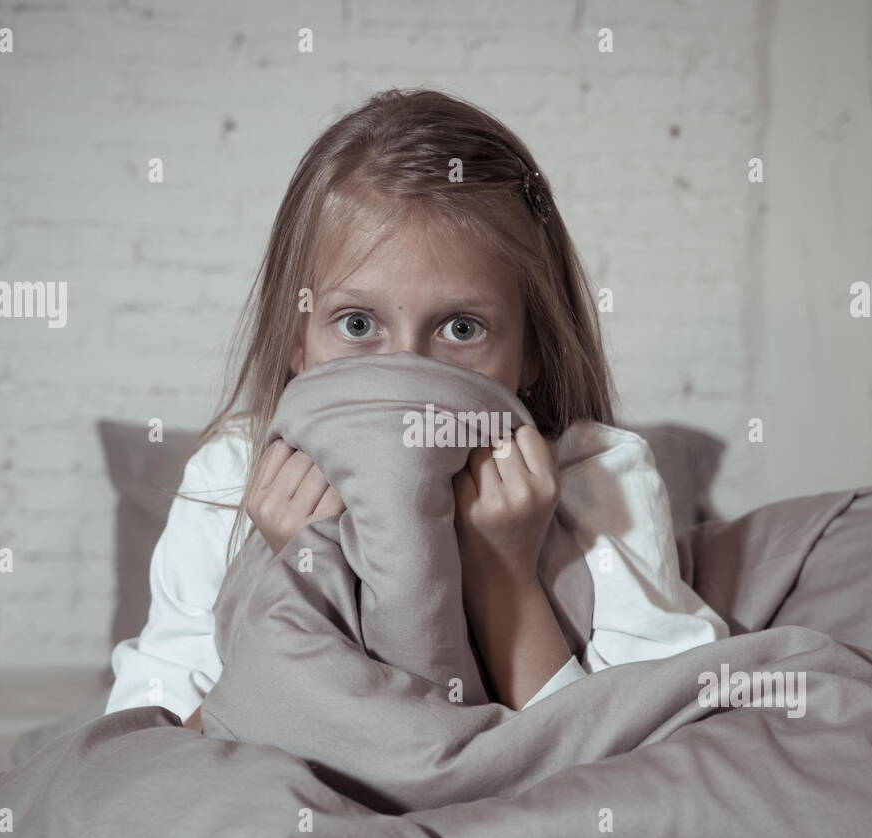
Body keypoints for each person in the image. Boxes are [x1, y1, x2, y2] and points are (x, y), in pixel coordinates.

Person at [105, 88, 728, 727]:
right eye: (356, 324)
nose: (405, 373)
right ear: (295, 337)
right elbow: (163, 750)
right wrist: (298, 577)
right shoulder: (232, 475)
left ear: (532, 349)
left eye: (461, 328)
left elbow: (639, 759)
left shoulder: (600, 478)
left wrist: (505, 578)